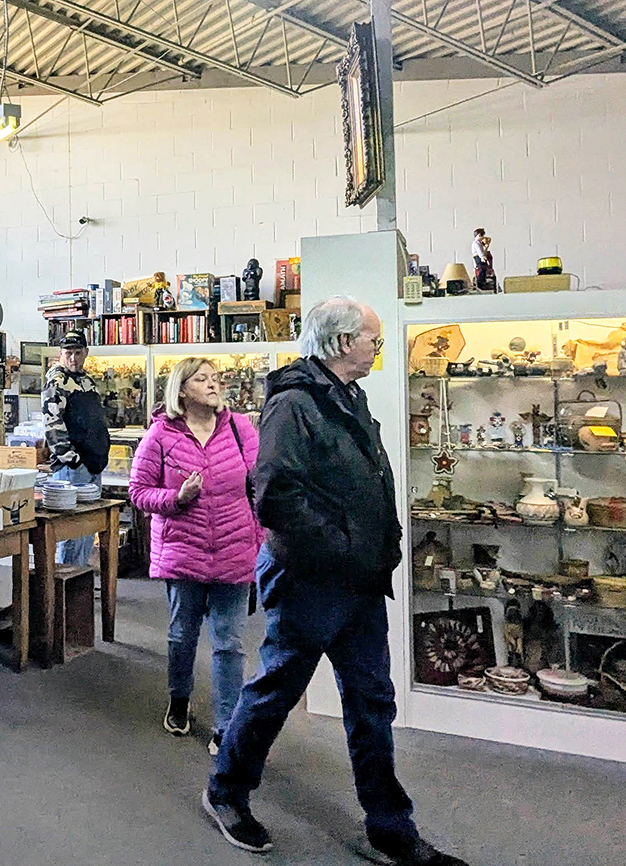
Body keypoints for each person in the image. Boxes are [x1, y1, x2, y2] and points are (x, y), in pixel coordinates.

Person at [203, 297, 469, 866]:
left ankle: (389, 826)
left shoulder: (347, 396)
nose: (378, 346)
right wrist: (344, 548)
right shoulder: (294, 405)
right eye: (372, 338)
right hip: (313, 582)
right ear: (343, 342)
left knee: (373, 701)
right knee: (275, 691)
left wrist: (374, 547)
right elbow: (274, 497)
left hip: (358, 584)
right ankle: (226, 790)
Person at [128, 357, 260, 756]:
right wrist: (177, 498)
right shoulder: (161, 436)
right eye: (202, 379)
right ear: (182, 390)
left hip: (235, 551)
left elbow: (264, 485)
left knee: (229, 642)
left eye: (215, 378)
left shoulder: (241, 428)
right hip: (182, 551)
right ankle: (180, 698)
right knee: (182, 634)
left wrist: (262, 537)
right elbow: (138, 492)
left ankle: (226, 726)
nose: (213, 384)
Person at [42, 330, 110, 565]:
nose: (73, 358)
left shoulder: (87, 381)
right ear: (61, 354)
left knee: (87, 531)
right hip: (73, 467)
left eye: (77, 353)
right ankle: (67, 589)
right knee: (71, 533)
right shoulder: (57, 380)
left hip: (93, 464)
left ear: (86, 353)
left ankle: (79, 588)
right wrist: (71, 458)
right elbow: (52, 423)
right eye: (68, 353)